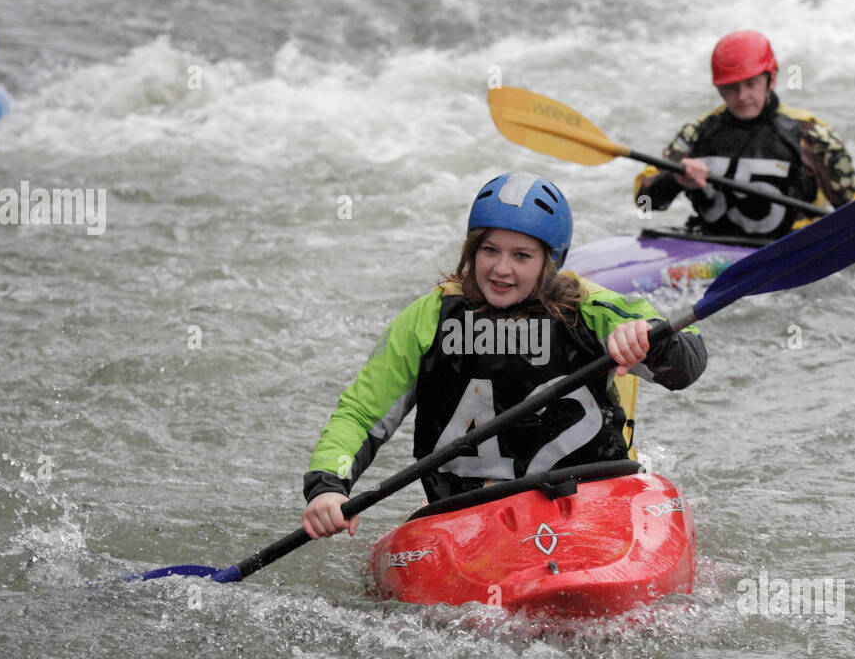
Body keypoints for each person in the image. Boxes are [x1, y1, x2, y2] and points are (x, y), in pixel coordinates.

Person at [303, 172, 708, 539]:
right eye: (490, 250)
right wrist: (328, 488)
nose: (501, 269)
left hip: (588, 504)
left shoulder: (590, 309)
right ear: (472, 250)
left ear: (551, 261)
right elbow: (361, 412)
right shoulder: (428, 318)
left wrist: (651, 341)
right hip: (464, 516)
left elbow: (686, 365)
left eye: (522, 256)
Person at [634, 30, 855, 242]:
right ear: (718, 88)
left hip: (792, 247)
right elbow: (644, 204)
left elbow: (854, 202)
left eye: (751, 83)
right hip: (713, 248)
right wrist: (675, 179)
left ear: (772, 79)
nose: (742, 96)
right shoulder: (696, 133)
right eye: (731, 87)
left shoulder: (810, 134)